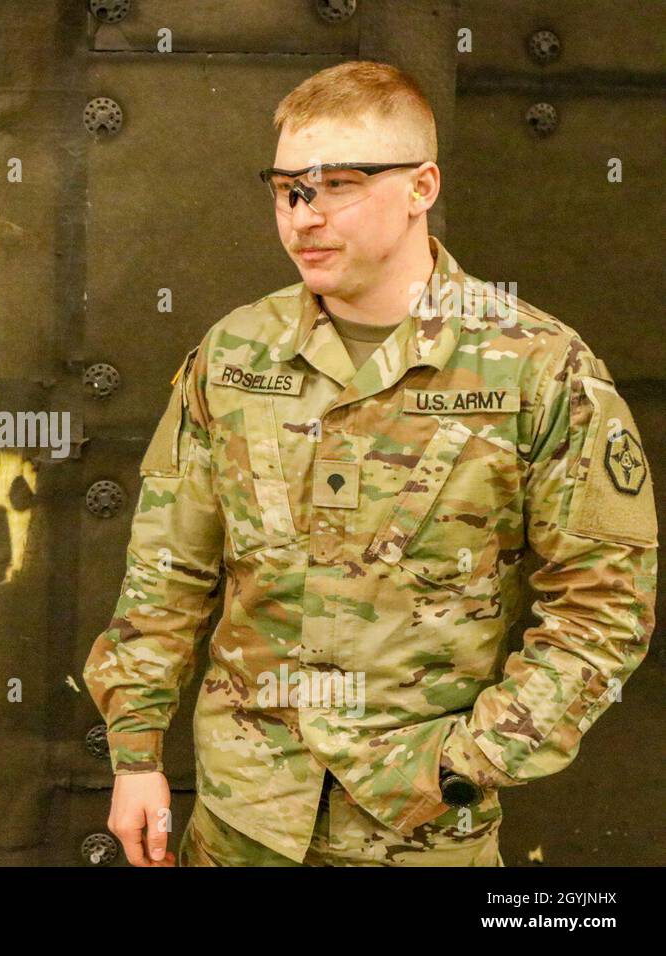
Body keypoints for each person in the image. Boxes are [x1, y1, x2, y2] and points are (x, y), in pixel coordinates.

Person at [83, 60, 657, 867]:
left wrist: (469, 764)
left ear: (422, 187)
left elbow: (604, 609)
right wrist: (136, 753)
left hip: (417, 832)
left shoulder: (534, 367)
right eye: (286, 188)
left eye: (336, 185)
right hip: (242, 821)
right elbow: (167, 568)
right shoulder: (236, 354)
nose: (302, 217)